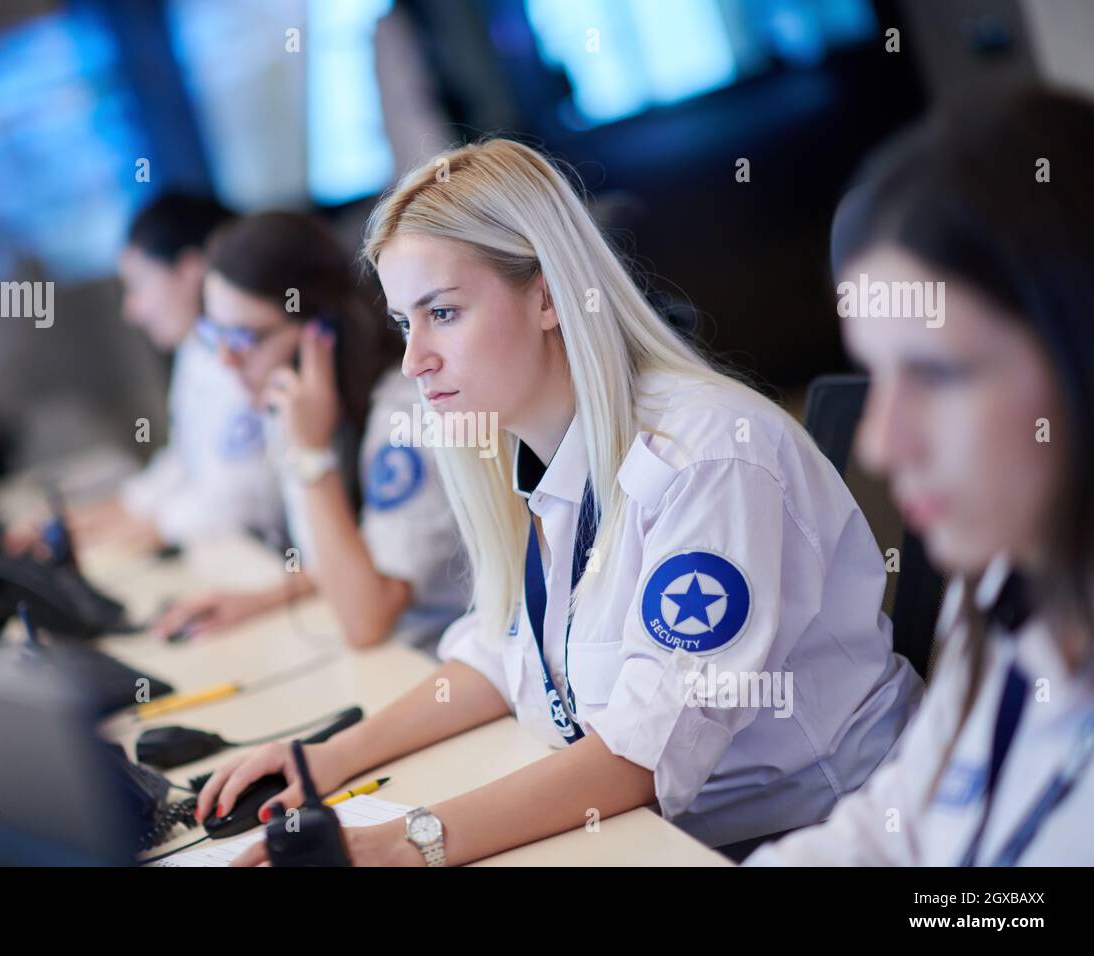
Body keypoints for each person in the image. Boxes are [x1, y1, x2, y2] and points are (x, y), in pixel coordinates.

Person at [192, 138, 922, 865]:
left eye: (442, 313)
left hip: (819, 836)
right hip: (661, 836)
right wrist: (325, 759)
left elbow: (638, 757)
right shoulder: (535, 447)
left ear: (546, 295)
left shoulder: (711, 460)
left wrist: (409, 842)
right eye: (403, 324)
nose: (415, 361)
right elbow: (500, 657)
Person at [747, 86, 1094, 866]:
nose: (877, 445)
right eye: (876, 374)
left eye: (936, 375)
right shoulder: (1010, 584)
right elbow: (902, 821)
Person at [152, 212, 469, 650]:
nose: (226, 361)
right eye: (215, 335)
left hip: (446, 670)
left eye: (246, 338)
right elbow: (353, 555)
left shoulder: (406, 418)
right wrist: (262, 600)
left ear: (321, 330)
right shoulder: (298, 404)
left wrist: (312, 456)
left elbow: (367, 620)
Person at [8, 192, 282, 555]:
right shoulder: (198, 349)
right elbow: (185, 461)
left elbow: (233, 503)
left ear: (188, 271)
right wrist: (84, 522)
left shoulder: (247, 358)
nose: (131, 310)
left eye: (138, 284)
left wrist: (108, 537)